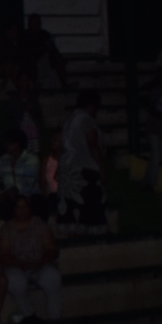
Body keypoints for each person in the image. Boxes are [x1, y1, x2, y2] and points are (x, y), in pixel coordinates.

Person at [0, 192, 62, 322]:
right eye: (19, 207)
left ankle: (55, 318)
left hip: (41, 264)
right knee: (15, 281)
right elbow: (2, 255)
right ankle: (30, 318)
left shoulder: (40, 224)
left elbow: (52, 249)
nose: (22, 210)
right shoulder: (6, 228)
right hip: (16, 267)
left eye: (25, 206)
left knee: (53, 277)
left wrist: (41, 262)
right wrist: (19, 264)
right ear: (14, 209)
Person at [58, 90, 103, 229]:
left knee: (72, 204)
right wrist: (102, 167)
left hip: (67, 167)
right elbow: (93, 144)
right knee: (88, 202)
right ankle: (90, 233)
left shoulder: (69, 120)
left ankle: (73, 232)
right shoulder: (86, 119)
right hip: (83, 167)